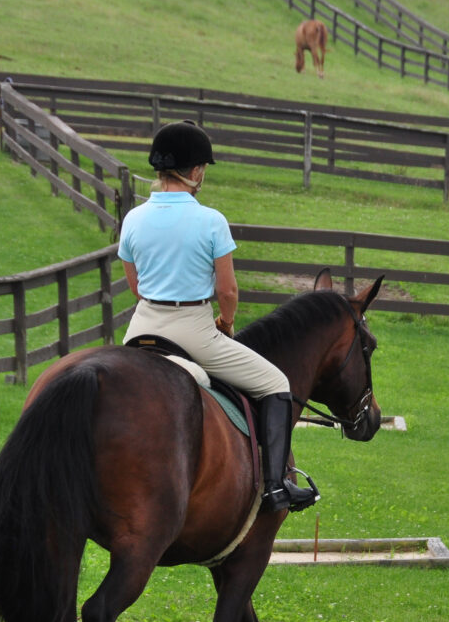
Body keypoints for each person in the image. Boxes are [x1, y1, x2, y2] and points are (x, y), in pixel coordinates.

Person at [118, 120, 317, 513]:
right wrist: (225, 323)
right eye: (202, 170)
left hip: (140, 328)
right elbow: (227, 291)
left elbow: (136, 286)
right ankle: (276, 488)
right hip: (193, 330)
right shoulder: (211, 221)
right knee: (276, 382)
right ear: (195, 172)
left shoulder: (133, 219)